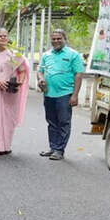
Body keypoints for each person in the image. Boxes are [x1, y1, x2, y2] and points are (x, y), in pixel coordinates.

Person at [37, 29, 85, 160]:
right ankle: (53, 147)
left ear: (65, 39)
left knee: (63, 122)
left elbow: (78, 75)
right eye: (53, 39)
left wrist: (75, 95)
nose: (56, 41)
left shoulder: (73, 55)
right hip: (48, 94)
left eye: (59, 39)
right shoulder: (46, 55)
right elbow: (40, 71)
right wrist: (40, 79)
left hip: (65, 94)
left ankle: (59, 149)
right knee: (51, 122)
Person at [0, 27, 31, 155]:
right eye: (0, 36)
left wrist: (20, 81)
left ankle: (6, 145)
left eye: (5, 36)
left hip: (10, 89)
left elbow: (22, 71)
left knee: (8, 117)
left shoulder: (15, 54)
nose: (3, 38)